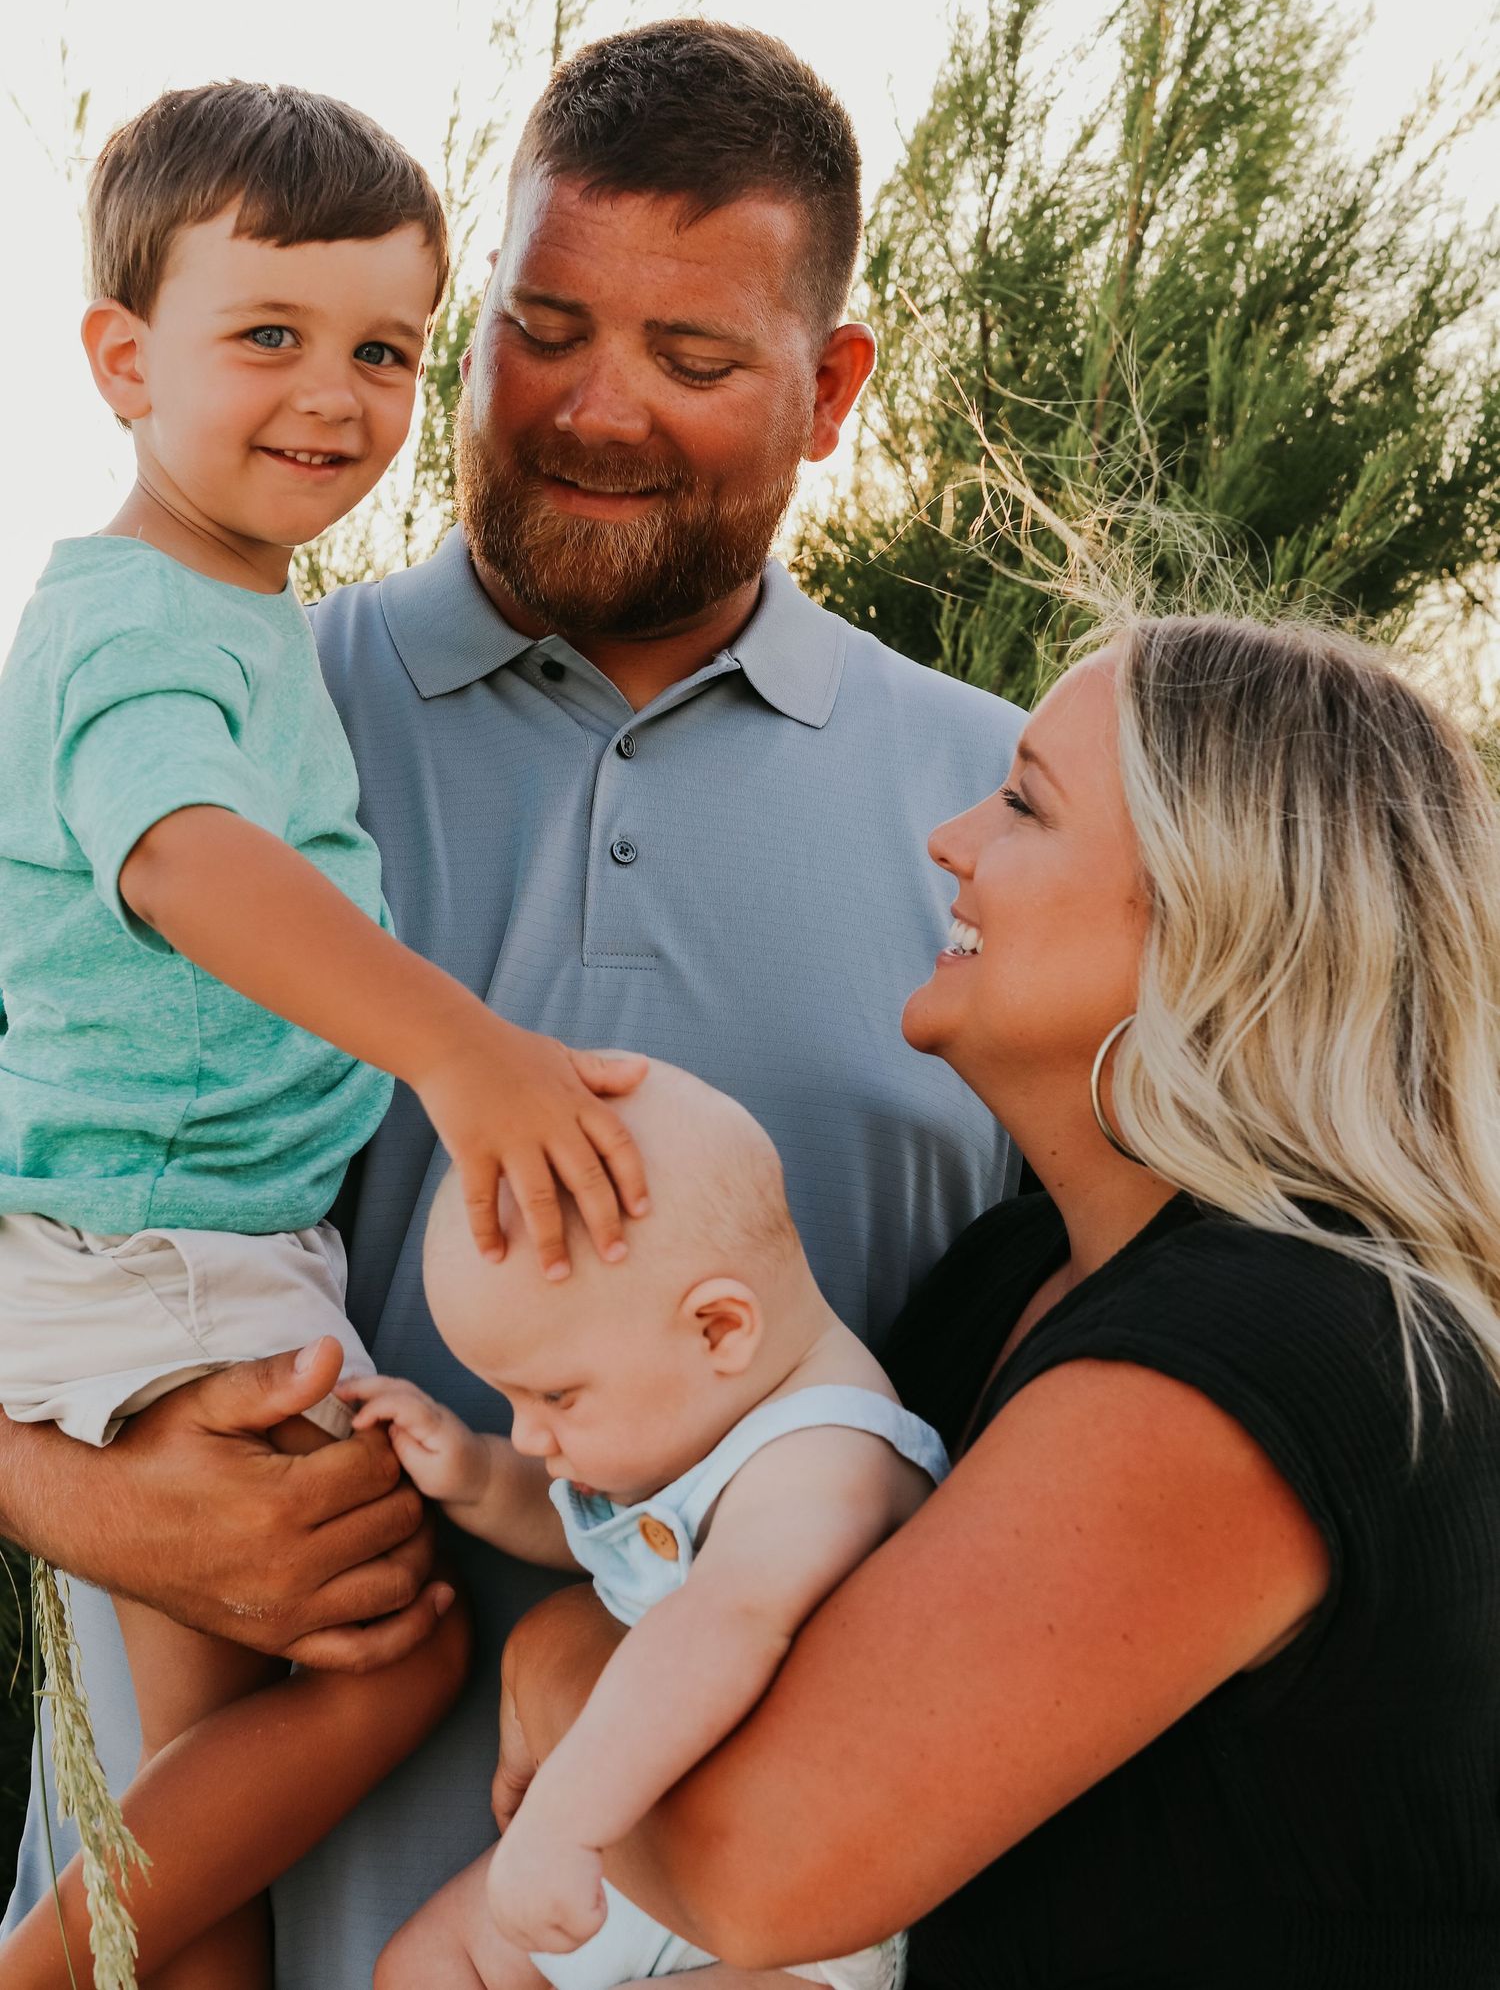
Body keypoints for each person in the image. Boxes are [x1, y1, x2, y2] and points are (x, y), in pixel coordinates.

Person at [2, 23, 1024, 1987]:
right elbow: (46, 1172)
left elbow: (1072, 1404)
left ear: (833, 393)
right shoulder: (218, 727)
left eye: (695, 360)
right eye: (541, 328)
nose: (595, 410)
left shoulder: (1005, 829)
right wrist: (54, 1479)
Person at [500, 614, 1500, 1988]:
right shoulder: (1005, 1276)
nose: (951, 838)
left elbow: (766, 1863)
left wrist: (559, 1665)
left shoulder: (1283, 1339)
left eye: (1025, 801)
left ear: (1215, 918)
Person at [0, 78, 661, 1990]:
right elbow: (185, 862)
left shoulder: (222, 614)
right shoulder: (146, 635)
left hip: (177, 1249)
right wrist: (465, 1052)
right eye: (266, 337)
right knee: (392, 1660)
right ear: (123, 359)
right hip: (167, 1256)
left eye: (386, 349)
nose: (334, 397)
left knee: (203, 1795)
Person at [348, 1061, 945, 1990]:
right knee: (426, 1965)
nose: (529, 1432)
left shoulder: (826, 1457)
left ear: (718, 1329)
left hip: (806, 1928)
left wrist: (566, 1820)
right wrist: (472, 1473)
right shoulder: (712, 1422)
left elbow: (722, 1623)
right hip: (647, 1847)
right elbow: (606, 1537)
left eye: (553, 1394)